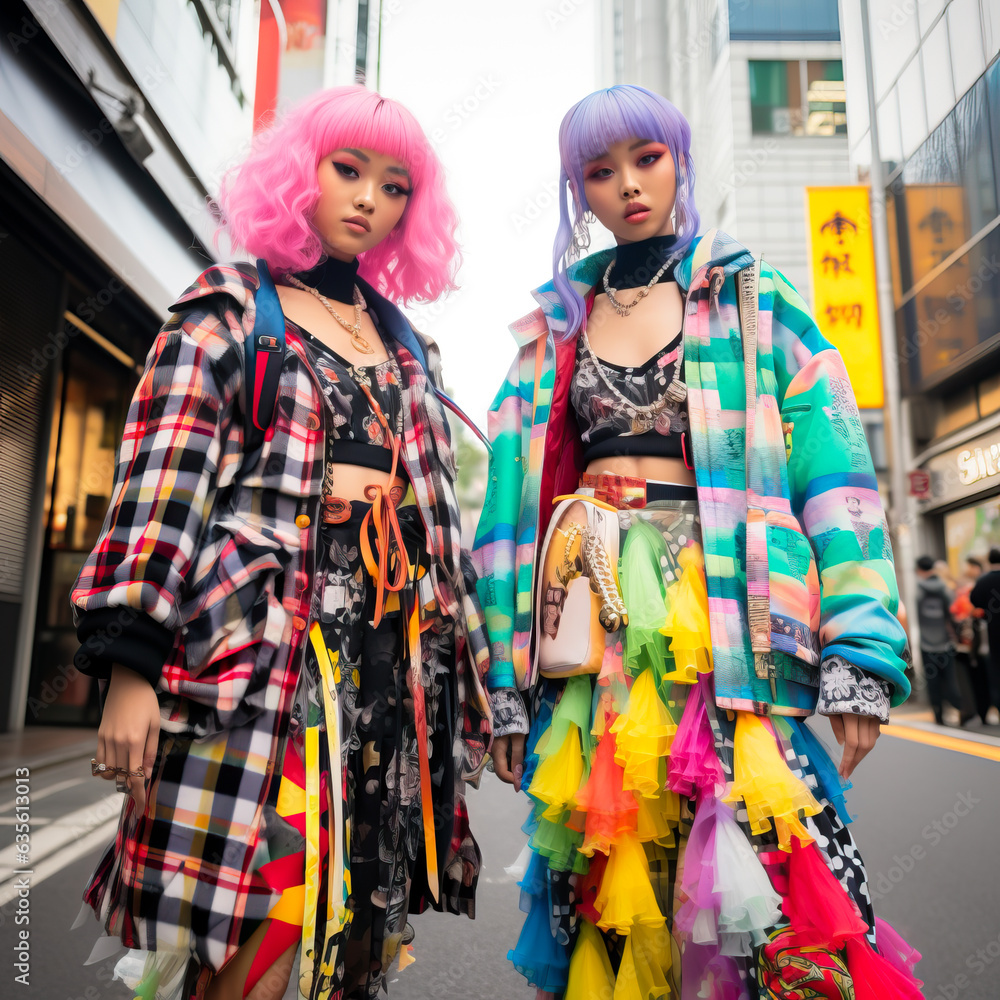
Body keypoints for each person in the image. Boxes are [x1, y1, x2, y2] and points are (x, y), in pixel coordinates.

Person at [473, 85, 922, 999]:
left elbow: (835, 474)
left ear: (679, 162)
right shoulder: (551, 329)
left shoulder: (757, 300)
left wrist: (861, 653)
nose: (628, 186)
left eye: (648, 159)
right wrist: (502, 683)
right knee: (612, 893)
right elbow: (506, 514)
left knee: (775, 891)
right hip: (593, 631)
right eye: (600, 172)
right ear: (577, 192)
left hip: (730, 620)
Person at [69, 86, 496, 1000]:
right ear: (295, 171)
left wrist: (481, 693)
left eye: (394, 185)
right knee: (261, 920)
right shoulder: (226, 313)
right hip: (261, 675)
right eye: (349, 170)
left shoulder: (405, 342)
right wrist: (131, 670)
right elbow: (160, 490)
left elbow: (443, 538)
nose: (368, 199)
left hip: (385, 677)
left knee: (351, 932)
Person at [915, 555, 964, 726]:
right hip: (945, 643)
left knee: (932, 682)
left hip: (926, 644)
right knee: (951, 680)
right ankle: (960, 712)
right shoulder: (944, 588)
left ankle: (938, 715)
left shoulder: (918, 589)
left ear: (919, 570)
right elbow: (952, 615)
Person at [951, 556, 991, 725]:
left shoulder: (962, 592)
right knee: (983, 678)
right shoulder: (978, 589)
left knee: (971, 680)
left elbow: (955, 613)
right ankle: (983, 711)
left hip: (968, 644)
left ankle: (974, 711)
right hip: (980, 643)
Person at [971, 547, 1000, 716]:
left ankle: (997, 705)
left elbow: (974, 599)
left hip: (993, 633)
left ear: (989, 561)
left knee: (996, 671)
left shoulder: (984, 581)